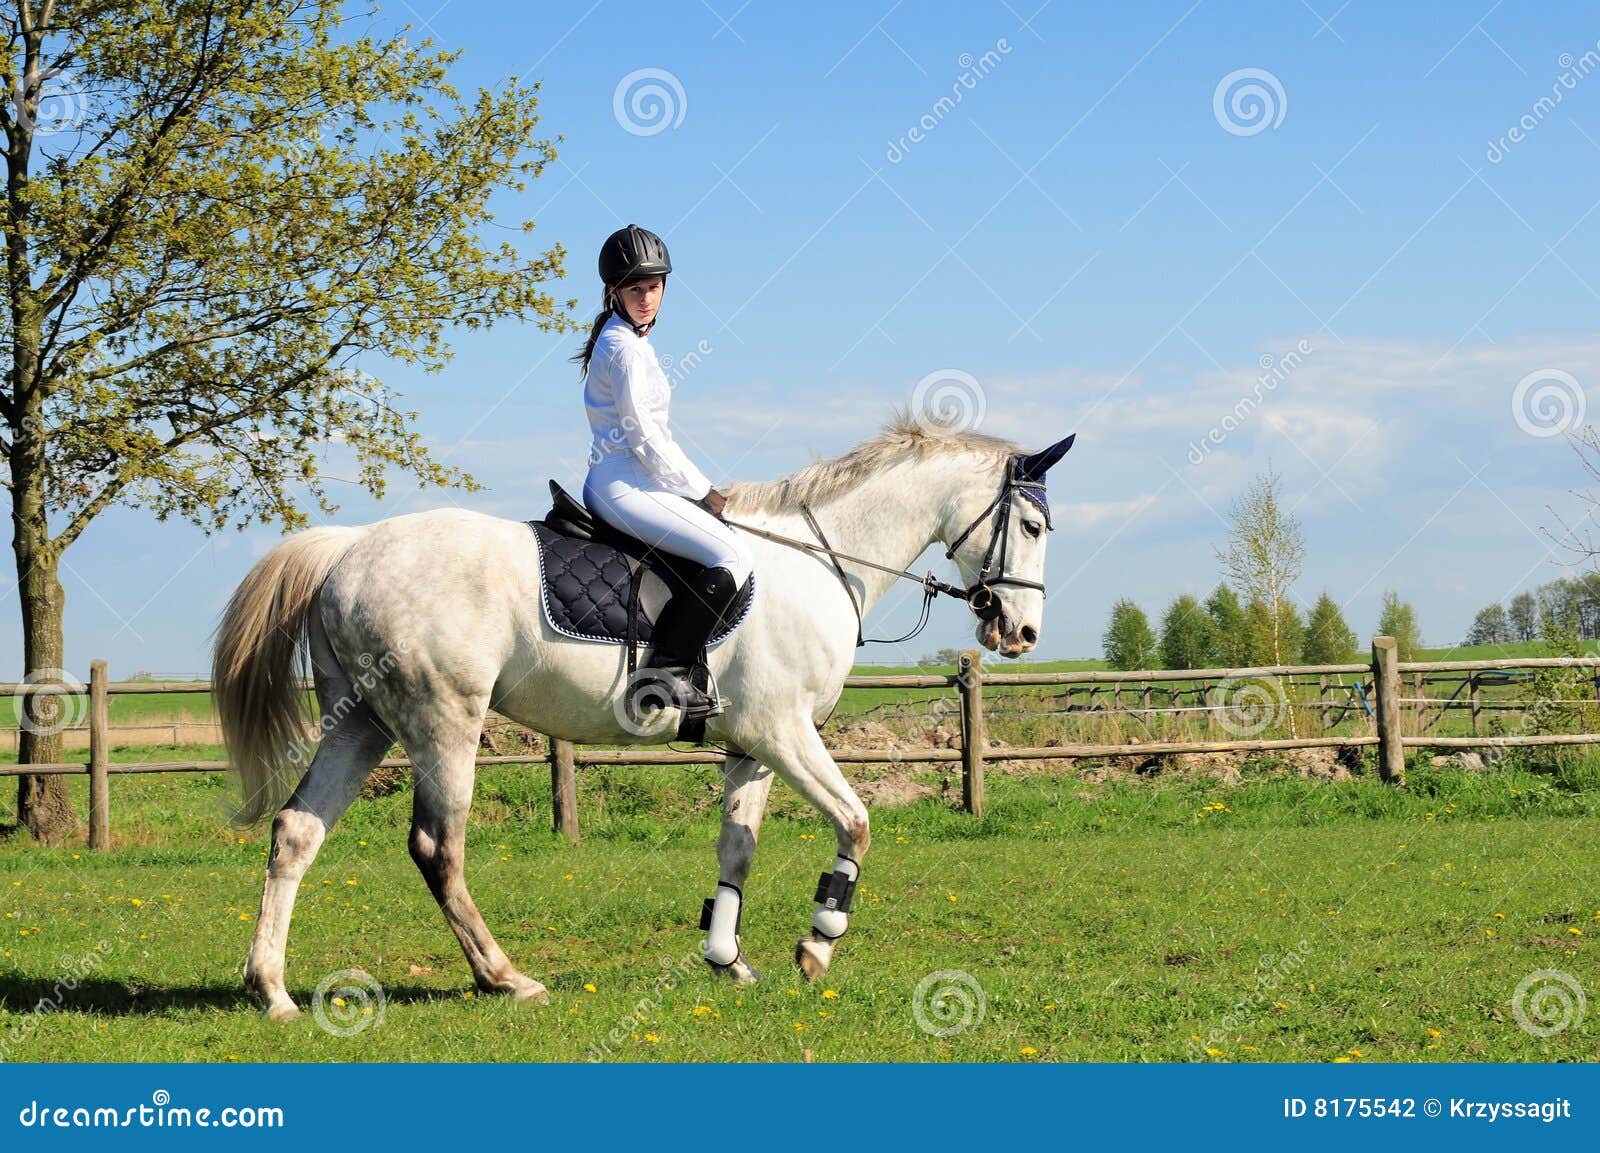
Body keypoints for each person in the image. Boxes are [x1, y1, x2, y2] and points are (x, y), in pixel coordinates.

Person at [573, 224, 753, 718]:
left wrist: (697, 488)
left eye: (654, 287)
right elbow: (644, 437)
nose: (647, 298)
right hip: (624, 484)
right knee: (732, 556)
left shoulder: (626, 340)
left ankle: (694, 664)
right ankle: (664, 673)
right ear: (614, 291)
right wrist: (702, 491)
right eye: (636, 288)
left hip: (635, 480)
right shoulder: (625, 349)